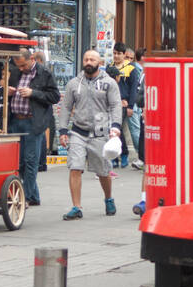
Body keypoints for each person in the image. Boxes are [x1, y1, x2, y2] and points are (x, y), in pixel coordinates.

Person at [56, 49, 123, 220]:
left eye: (92, 59)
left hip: (100, 130)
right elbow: (65, 107)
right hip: (78, 130)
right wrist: (63, 130)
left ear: (99, 63)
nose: (88, 62)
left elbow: (116, 105)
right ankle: (76, 207)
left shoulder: (109, 83)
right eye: (86, 59)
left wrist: (115, 127)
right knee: (75, 167)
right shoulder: (74, 83)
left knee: (103, 170)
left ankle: (108, 198)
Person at [0, 47, 60, 206]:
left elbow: (54, 97)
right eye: (18, 66)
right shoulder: (16, 72)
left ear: (32, 59)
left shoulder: (44, 74)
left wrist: (33, 93)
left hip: (33, 122)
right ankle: (33, 197)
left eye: (23, 65)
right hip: (15, 120)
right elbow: (5, 92)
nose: (21, 68)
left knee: (30, 161)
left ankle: (24, 197)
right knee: (18, 162)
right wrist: (9, 92)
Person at [110, 43, 141, 169]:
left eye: (119, 54)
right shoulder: (110, 67)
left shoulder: (130, 68)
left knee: (121, 130)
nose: (116, 56)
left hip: (125, 103)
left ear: (124, 55)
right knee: (113, 130)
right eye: (114, 53)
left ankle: (125, 154)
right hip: (111, 103)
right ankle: (115, 156)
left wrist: (130, 105)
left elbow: (134, 88)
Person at [128, 47, 146, 172]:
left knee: (141, 132)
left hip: (141, 106)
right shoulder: (141, 72)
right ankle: (142, 158)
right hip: (139, 105)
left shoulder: (144, 72)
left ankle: (143, 158)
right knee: (140, 132)